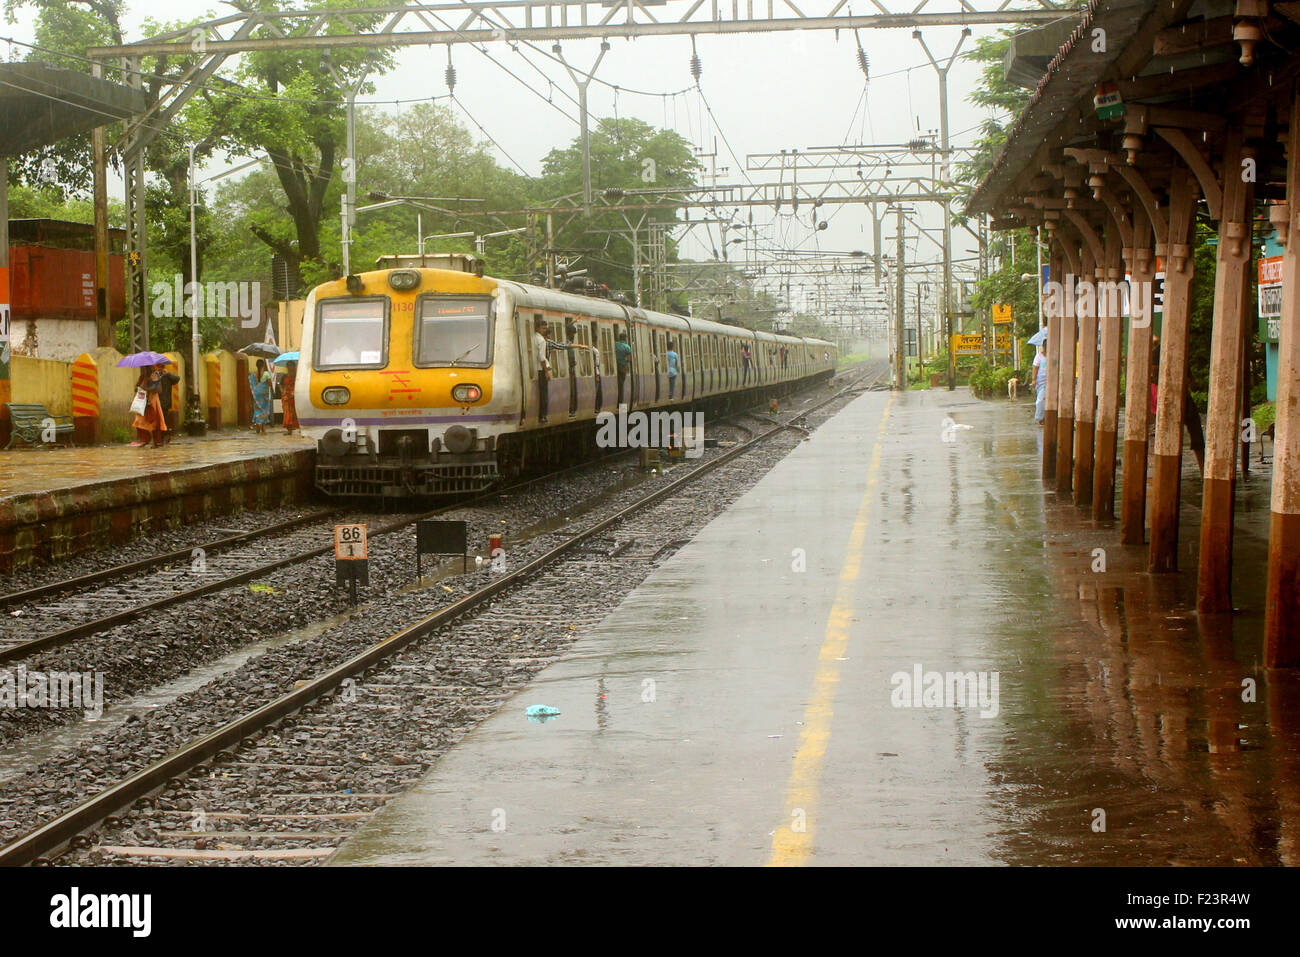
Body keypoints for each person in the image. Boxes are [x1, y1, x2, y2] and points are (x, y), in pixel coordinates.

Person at [131, 364, 168, 448]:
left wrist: (148, 387)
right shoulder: (142, 377)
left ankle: (157, 442)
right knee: (139, 420)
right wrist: (138, 388)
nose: (144, 369)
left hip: (153, 401)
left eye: (146, 367)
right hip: (143, 401)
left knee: (155, 421)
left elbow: (159, 389)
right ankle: (145, 440)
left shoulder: (155, 376)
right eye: (143, 367)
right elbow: (136, 387)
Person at [157, 365, 181, 444]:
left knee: (164, 420)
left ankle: (164, 436)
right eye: (158, 367)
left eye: (161, 367)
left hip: (165, 403)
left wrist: (168, 374)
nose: (159, 368)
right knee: (159, 420)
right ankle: (162, 436)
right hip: (156, 402)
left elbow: (177, 379)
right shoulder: (156, 375)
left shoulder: (167, 376)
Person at [534, 320, 552, 422]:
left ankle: (542, 415)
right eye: (543, 328)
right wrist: (546, 372)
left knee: (541, 394)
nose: (545, 330)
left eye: (545, 328)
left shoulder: (534, 337)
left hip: (537, 369)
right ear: (538, 328)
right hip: (541, 370)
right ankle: (543, 416)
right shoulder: (541, 340)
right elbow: (542, 358)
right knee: (544, 394)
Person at [250, 358, 272, 434]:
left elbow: (252, 385)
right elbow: (269, 384)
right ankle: (261, 423)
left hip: (257, 395)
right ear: (263, 365)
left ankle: (260, 426)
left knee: (257, 409)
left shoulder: (253, 375)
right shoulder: (266, 374)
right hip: (264, 395)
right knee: (264, 410)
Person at [1030, 343, 1048, 424]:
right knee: (1041, 399)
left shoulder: (1054, 355)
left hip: (1052, 380)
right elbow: (1035, 368)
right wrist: (1034, 380)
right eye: (1045, 345)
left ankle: (1047, 417)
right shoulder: (1039, 356)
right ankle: (1040, 418)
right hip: (1041, 381)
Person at [615, 330, 632, 408]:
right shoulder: (627, 347)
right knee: (621, 385)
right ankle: (620, 403)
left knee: (617, 384)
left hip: (615, 366)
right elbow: (629, 359)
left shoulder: (615, 344)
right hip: (622, 367)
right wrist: (625, 361)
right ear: (625, 338)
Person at [281, 360, 299, 434]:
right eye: (288, 366)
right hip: (286, 396)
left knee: (295, 412)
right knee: (287, 413)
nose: (289, 367)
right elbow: (281, 385)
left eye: (291, 366)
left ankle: (298, 428)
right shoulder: (285, 376)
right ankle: (289, 430)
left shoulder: (298, 375)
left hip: (295, 395)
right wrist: (283, 391)